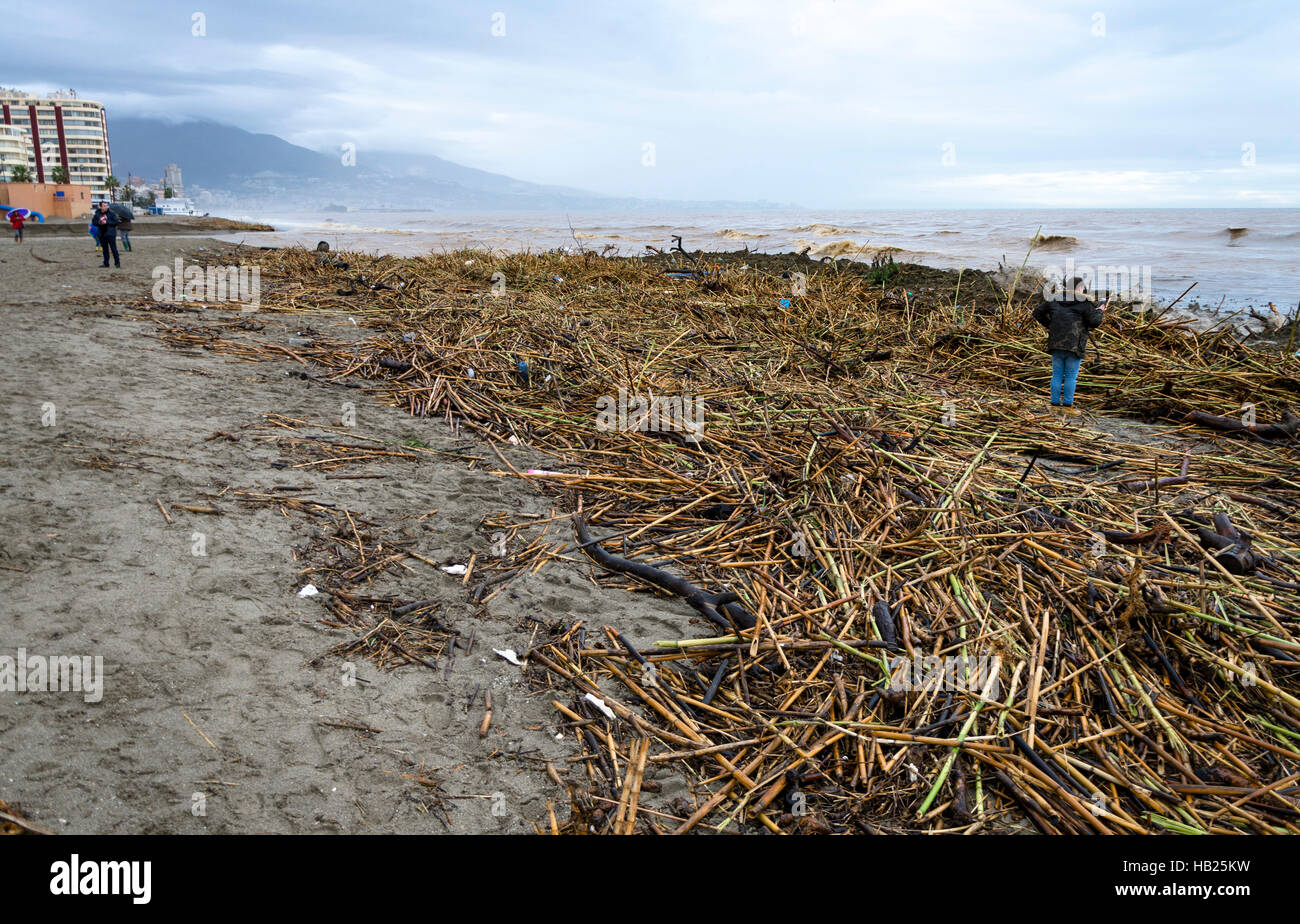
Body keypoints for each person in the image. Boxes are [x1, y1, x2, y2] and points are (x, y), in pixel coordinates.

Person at [1032, 276, 1106, 414]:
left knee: (1057, 374)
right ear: (1079, 287)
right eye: (1083, 287)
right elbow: (1094, 322)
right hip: (1074, 345)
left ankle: (1054, 404)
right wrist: (1100, 310)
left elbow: (1037, 312)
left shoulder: (1054, 298)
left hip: (1056, 343)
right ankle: (1067, 407)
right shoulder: (1084, 302)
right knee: (1071, 376)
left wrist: (1048, 324)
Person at [91, 200, 120, 268]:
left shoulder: (111, 213)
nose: (106, 207)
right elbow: (94, 222)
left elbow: (116, 222)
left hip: (110, 233)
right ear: (100, 207)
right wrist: (99, 222)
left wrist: (107, 222)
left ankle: (117, 263)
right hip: (102, 234)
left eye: (106, 205)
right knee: (105, 249)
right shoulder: (97, 214)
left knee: (113, 249)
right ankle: (106, 263)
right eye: (104, 206)